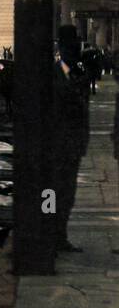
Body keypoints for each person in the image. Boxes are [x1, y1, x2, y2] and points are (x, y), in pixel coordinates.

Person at [51, 25, 91, 254]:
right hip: (56, 147)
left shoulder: (76, 73)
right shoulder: (54, 75)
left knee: (67, 196)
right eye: (70, 45)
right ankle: (49, 234)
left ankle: (60, 235)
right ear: (61, 47)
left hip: (72, 147)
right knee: (51, 195)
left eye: (76, 45)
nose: (74, 50)